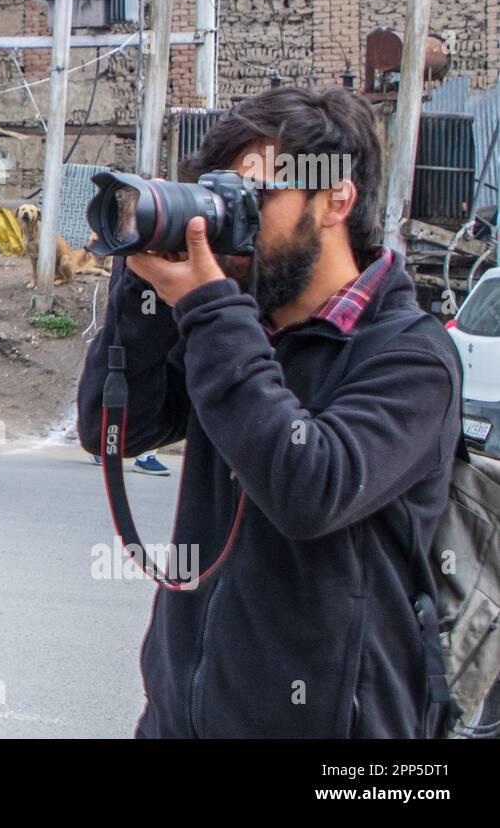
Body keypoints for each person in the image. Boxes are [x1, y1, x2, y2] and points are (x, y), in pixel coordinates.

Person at [77, 86, 462, 738]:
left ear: (336, 199)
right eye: (222, 195)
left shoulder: (412, 358)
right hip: (181, 721)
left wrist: (211, 312)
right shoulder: (240, 323)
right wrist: (143, 292)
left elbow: (309, 488)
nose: (234, 221)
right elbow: (115, 430)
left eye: (257, 197)